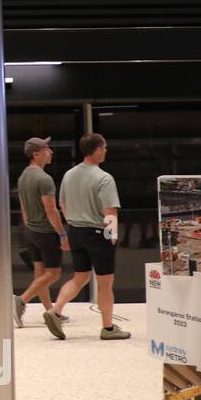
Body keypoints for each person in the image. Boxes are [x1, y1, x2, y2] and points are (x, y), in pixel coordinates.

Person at [44, 133, 130, 340]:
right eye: (105, 147)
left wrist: (73, 222)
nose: (106, 151)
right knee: (105, 283)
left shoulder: (69, 174)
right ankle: (108, 328)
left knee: (80, 276)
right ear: (98, 149)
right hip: (98, 234)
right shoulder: (104, 178)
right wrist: (112, 234)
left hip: (75, 231)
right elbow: (110, 210)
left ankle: (55, 311)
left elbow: (62, 204)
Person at [12, 136, 70, 328]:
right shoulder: (44, 179)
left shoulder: (23, 176)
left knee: (40, 273)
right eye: (46, 149)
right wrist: (62, 234)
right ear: (36, 154)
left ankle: (50, 311)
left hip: (31, 230)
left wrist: (28, 225)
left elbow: (23, 206)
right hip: (46, 232)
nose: (50, 152)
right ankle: (21, 301)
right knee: (53, 273)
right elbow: (51, 210)